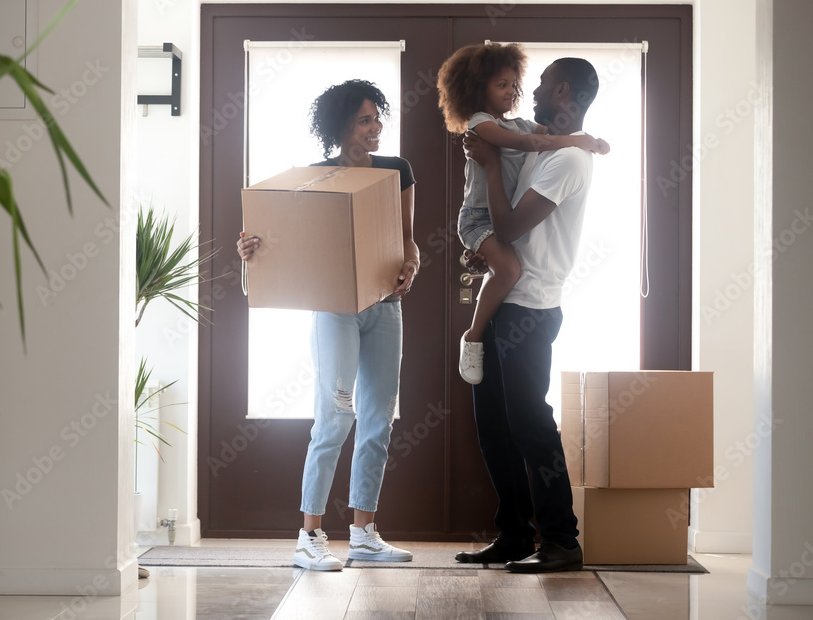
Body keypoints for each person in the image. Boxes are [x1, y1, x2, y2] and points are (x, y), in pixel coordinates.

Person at [237, 79, 419, 571]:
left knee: (378, 419)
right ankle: (309, 535)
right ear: (341, 126)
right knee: (336, 416)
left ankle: (363, 533)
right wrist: (252, 249)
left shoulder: (396, 170)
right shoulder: (315, 177)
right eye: (365, 120)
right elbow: (285, 242)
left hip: (385, 307)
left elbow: (407, 240)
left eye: (377, 117)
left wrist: (411, 265)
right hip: (334, 309)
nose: (375, 127)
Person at [454, 58, 602, 573]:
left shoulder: (568, 161)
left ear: (562, 89)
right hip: (511, 304)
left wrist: (492, 167)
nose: (528, 90)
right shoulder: (546, 148)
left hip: (531, 310)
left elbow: (512, 227)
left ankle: (562, 541)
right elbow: (505, 223)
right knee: (494, 426)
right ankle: (515, 535)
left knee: (531, 425)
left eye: (539, 83)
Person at [437, 43, 608, 385]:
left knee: (522, 419)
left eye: (514, 84)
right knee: (508, 269)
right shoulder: (482, 124)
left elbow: (545, 137)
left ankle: (473, 337)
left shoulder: (531, 134)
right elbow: (535, 143)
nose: (517, 90)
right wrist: (579, 141)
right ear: (478, 89)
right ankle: (473, 337)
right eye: (503, 84)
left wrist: (588, 140)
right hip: (476, 220)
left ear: (561, 89)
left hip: (531, 304)